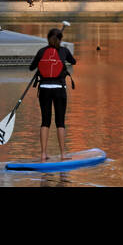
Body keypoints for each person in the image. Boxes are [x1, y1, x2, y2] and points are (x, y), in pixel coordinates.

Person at [28, 28, 76, 162]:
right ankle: (62, 154)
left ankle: (43, 154)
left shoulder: (42, 51)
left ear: (47, 39)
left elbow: (31, 67)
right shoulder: (64, 51)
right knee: (60, 122)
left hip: (44, 89)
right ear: (60, 39)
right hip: (59, 89)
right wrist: (64, 53)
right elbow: (74, 61)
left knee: (45, 121)